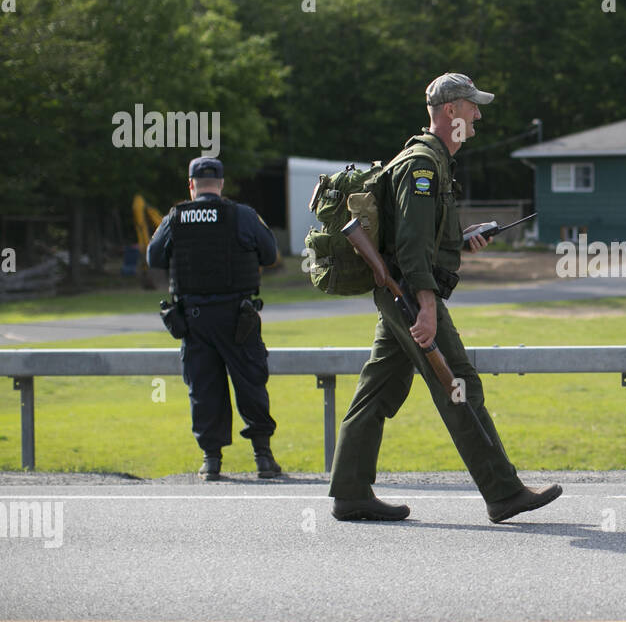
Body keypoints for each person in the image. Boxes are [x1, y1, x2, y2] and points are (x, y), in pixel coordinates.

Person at [327, 72, 562, 523]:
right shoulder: (422, 164)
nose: (478, 114)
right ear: (451, 110)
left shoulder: (431, 160)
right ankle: (504, 492)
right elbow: (412, 247)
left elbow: (420, 237)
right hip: (409, 297)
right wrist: (428, 306)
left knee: (378, 390)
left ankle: (351, 491)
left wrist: (461, 239)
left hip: (398, 294)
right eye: (472, 105)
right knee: (458, 384)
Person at [147, 157, 286, 480]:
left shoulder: (175, 218)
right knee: (250, 382)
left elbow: (154, 257)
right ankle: (263, 457)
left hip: (194, 320)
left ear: (191, 185)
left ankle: (211, 461)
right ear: (221, 184)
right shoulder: (243, 215)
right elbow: (268, 254)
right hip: (238, 318)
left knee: (204, 387)